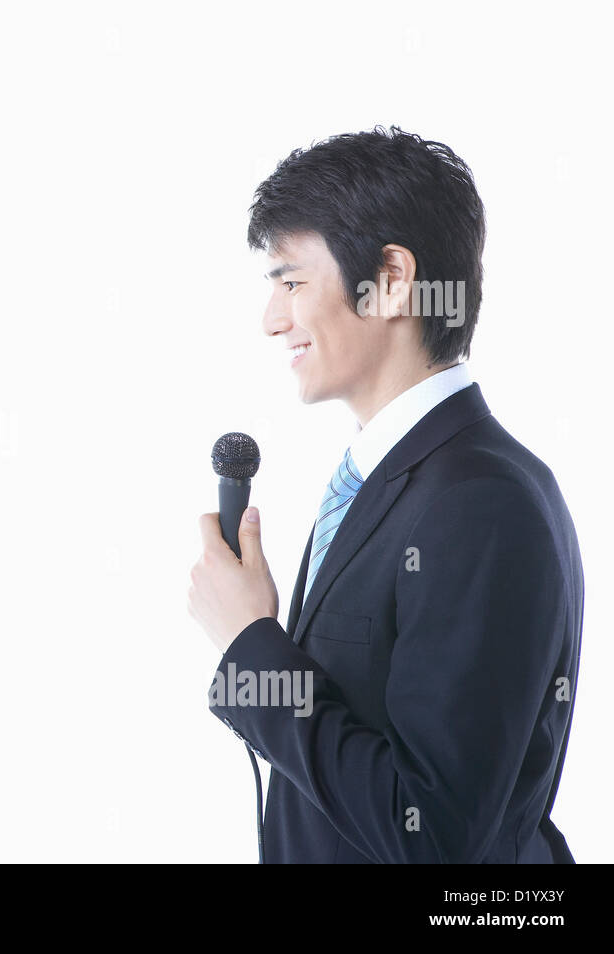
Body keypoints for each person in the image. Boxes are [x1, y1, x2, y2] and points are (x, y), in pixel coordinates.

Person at [187, 126, 582, 863]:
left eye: (292, 281)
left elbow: (430, 832)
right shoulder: (388, 480)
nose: (273, 319)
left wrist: (250, 646)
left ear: (394, 279)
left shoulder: (481, 502)